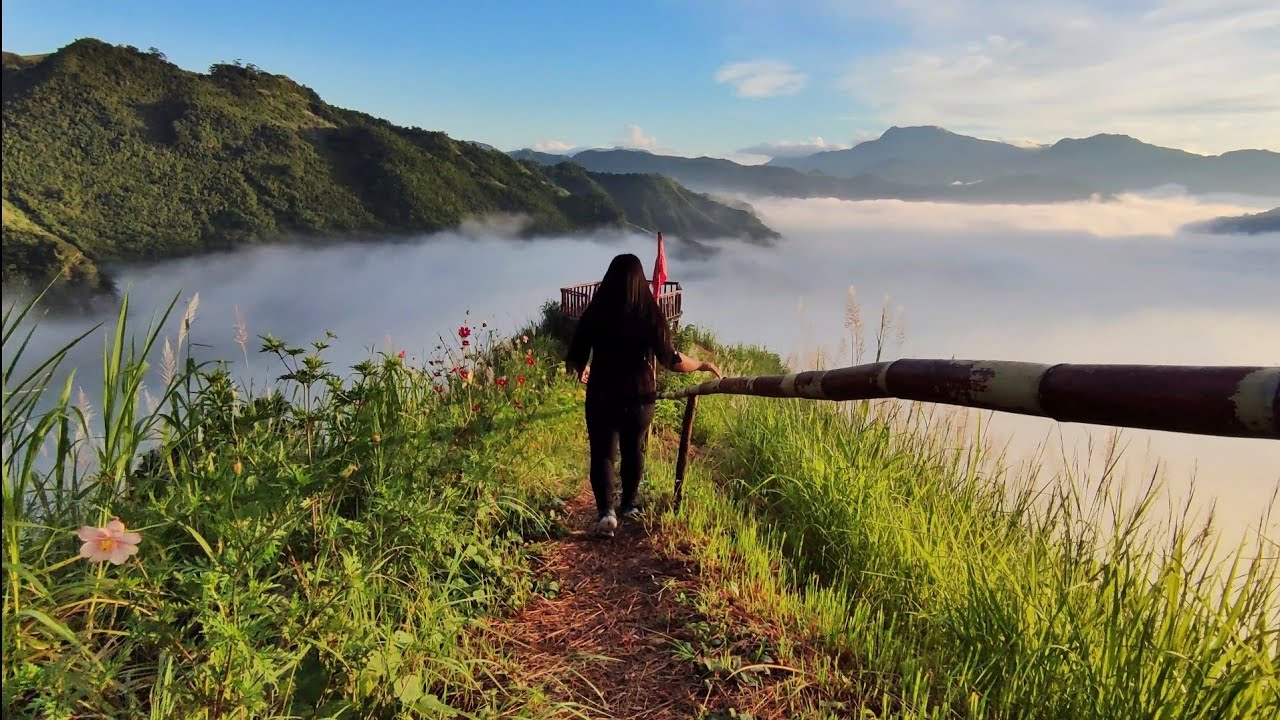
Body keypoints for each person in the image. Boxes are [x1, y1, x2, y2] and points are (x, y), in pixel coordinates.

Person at [565, 253, 722, 537]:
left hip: (601, 393)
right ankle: (629, 504)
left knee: (602, 453)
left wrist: (581, 371)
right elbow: (671, 359)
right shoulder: (649, 312)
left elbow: (575, 355)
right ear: (640, 280)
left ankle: (605, 512)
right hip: (639, 397)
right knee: (634, 448)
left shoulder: (596, 311)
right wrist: (701, 364)